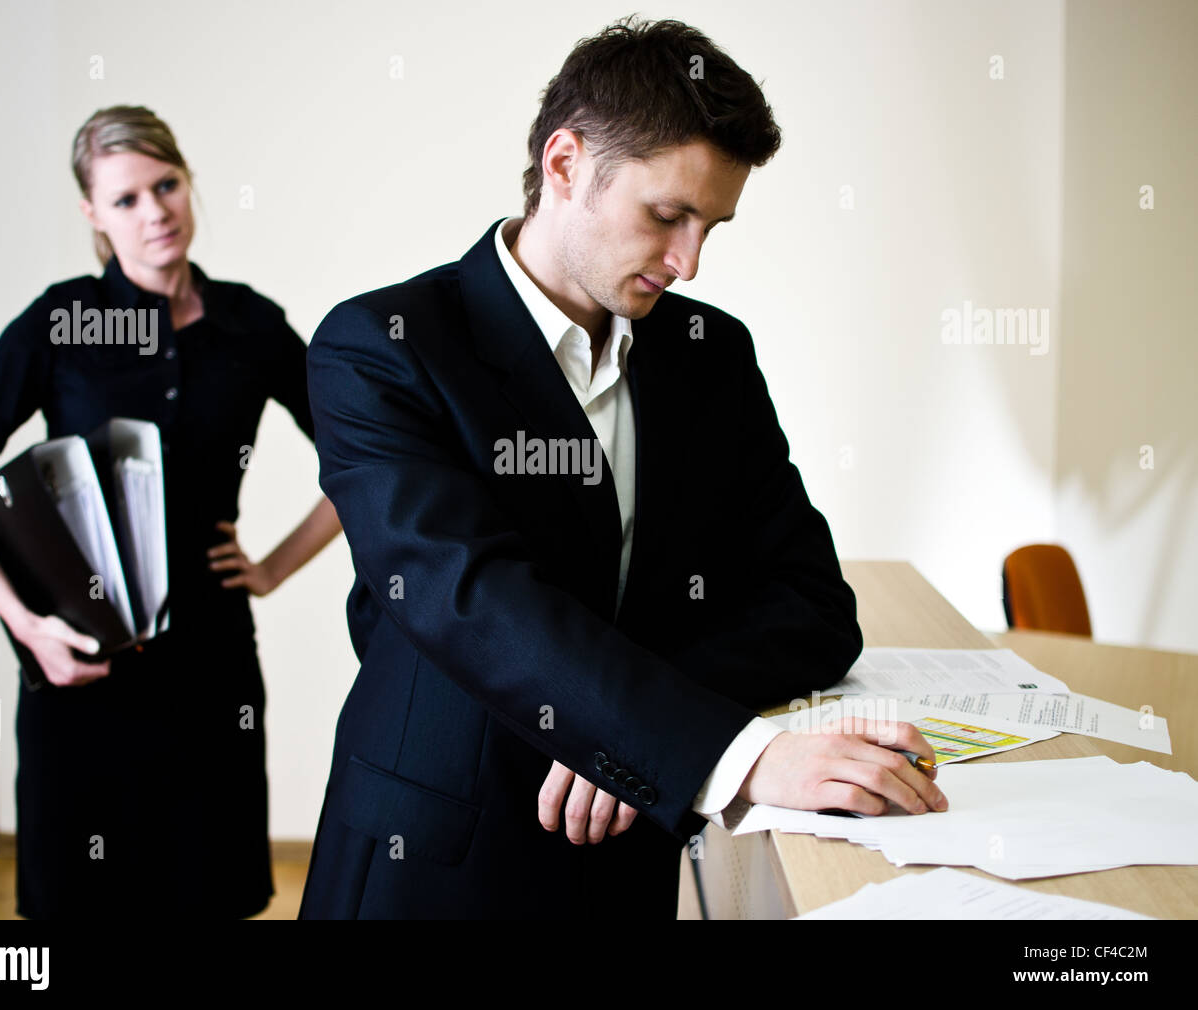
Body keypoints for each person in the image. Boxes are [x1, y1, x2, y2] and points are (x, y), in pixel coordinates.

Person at [298, 17, 946, 920]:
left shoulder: (709, 353)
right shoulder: (381, 347)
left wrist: (636, 737)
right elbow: (471, 598)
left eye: (711, 226)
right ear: (564, 164)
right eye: (667, 215)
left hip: (631, 844)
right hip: (440, 849)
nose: (688, 262)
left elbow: (812, 606)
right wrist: (728, 751)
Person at [0, 105, 343, 918]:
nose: (155, 213)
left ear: (187, 181)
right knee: (80, 897)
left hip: (212, 666)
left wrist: (274, 567)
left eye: (166, 185)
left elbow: (363, 458)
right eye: (126, 199)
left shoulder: (251, 323)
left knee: (207, 891)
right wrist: (26, 626)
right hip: (79, 664)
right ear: (93, 215)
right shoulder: (59, 319)